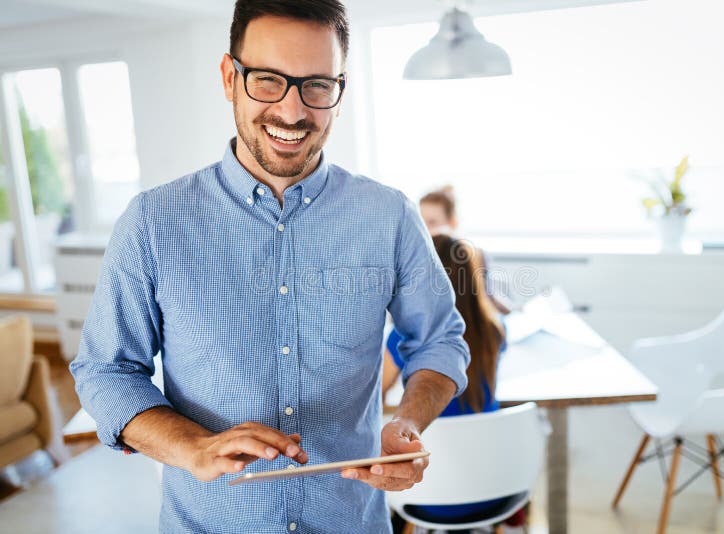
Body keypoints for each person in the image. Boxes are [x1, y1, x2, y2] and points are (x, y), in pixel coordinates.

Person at [69, 2, 469, 532]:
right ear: (229, 78)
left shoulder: (390, 215)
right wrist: (193, 446)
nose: (292, 111)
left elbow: (440, 338)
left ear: (339, 92)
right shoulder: (152, 222)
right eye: (268, 80)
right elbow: (106, 370)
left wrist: (408, 423)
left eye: (316, 86)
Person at [382, 234, 507, 524]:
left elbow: (375, 394)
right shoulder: (495, 330)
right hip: (495, 487)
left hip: (426, 493)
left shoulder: (403, 337)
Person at [418, 186, 514, 314]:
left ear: (452, 223)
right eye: (421, 223)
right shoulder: (417, 258)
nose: (425, 230)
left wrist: (516, 312)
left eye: (432, 223)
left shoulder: (476, 256)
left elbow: (489, 299)